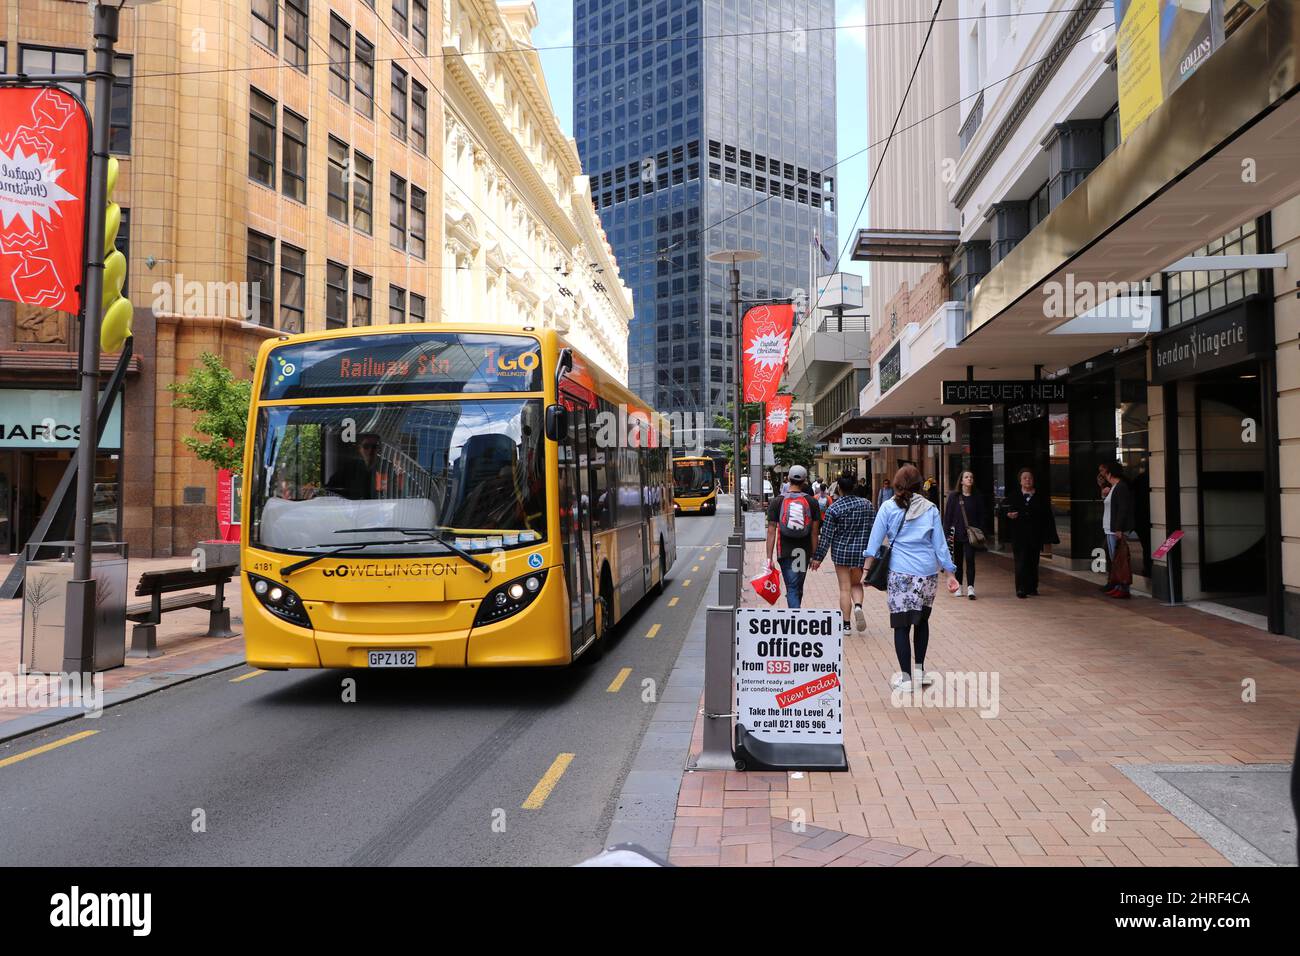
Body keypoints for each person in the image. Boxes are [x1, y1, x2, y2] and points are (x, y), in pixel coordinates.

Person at [863, 465, 959, 691]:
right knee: (922, 622)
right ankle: (920, 671)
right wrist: (950, 573)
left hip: (901, 574)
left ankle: (906, 679)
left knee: (901, 626)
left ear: (896, 483)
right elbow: (940, 544)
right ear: (919, 484)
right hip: (927, 574)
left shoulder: (888, 507)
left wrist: (866, 571)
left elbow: (875, 541)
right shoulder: (931, 508)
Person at [811, 472, 877, 634]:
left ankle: (846, 625)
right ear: (854, 486)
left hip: (841, 553)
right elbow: (874, 529)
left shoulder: (835, 508)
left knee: (844, 588)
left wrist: (818, 557)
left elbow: (826, 536)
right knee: (857, 584)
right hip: (861, 553)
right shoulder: (867, 505)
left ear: (839, 488)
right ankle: (858, 607)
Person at [764, 464, 820, 609]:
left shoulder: (777, 501)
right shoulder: (812, 502)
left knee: (793, 588)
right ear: (804, 481)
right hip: (803, 552)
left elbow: (771, 531)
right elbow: (814, 532)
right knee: (797, 587)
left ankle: (795, 619)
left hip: (785, 551)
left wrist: (769, 558)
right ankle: (796, 620)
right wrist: (815, 555)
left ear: (788, 479)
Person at [1002, 467, 1058, 598]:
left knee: (1033, 562)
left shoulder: (1040, 497)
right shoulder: (1014, 496)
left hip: (1035, 535)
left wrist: (1048, 537)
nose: (1028, 480)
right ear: (1020, 481)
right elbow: (1002, 510)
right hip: (1019, 535)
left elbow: (1048, 517)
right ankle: (1021, 588)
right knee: (1020, 561)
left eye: (1030, 478)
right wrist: (1008, 514)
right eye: (1025, 478)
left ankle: (1032, 587)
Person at [943, 470, 985, 600]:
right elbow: (948, 516)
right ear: (961, 481)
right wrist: (945, 534)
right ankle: (959, 585)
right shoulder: (954, 497)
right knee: (958, 562)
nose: (969, 479)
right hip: (956, 534)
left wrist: (980, 530)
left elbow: (982, 516)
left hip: (970, 536)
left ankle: (971, 587)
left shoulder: (977, 497)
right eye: (966, 477)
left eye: (971, 477)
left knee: (970, 560)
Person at [326, 432, 395, 499]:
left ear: (379, 449)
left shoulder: (388, 468)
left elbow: (396, 493)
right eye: (366, 446)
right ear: (360, 449)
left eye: (374, 447)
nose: (370, 450)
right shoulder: (349, 468)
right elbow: (330, 489)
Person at [1104, 461, 1136, 599]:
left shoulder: (1120, 487)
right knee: (1115, 559)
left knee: (1119, 559)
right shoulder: (1114, 487)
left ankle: (1123, 587)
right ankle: (1118, 586)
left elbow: (1123, 509)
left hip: (1115, 530)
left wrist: (1118, 528)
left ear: (1110, 474)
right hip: (1109, 528)